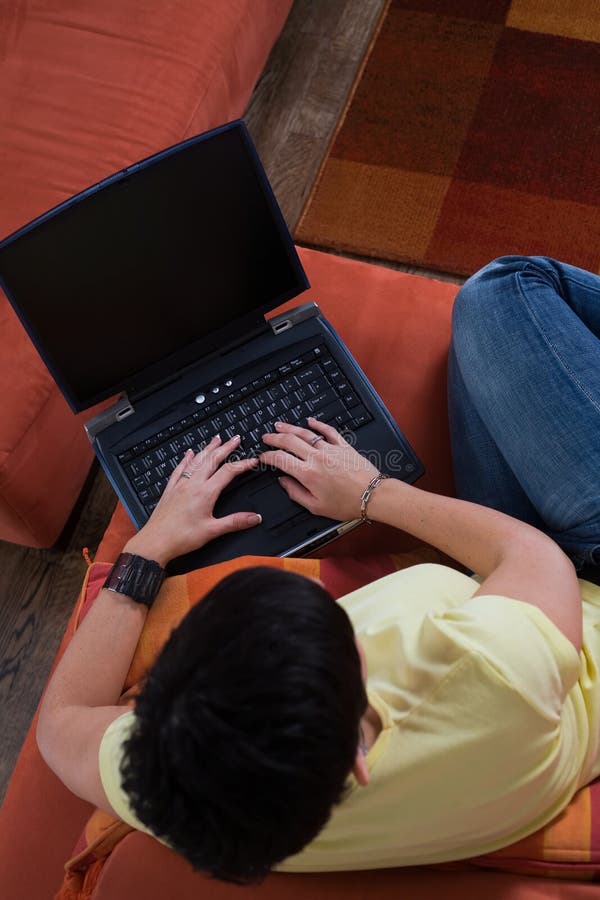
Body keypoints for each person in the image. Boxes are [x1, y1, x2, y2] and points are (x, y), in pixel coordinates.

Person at [37, 256, 600, 884]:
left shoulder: (187, 790)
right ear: (360, 764)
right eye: (345, 635)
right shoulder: (493, 674)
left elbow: (60, 727)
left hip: (506, 592)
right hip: (570, 580)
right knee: (501, 291)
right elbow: (531, 555)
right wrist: (369, 492)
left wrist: (150, 549)